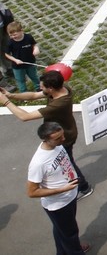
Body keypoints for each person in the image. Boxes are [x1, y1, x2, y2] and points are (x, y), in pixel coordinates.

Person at [3, 68, 91, 195]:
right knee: (66, 162)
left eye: (42, 86)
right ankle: (78, 185)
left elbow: (25, 117)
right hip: (64, 132)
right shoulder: (61, 88)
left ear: (50, 88)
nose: (40, 88)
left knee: (68, 164)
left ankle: (83, 187)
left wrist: (6, 102)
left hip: (63, 137)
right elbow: (34, 96)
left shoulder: (58, 104)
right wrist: (11, 95)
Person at [26, 121, 85, 255]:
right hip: (59, 205)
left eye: (62, 135)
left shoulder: (57, 145)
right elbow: (32, 192)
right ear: (45, 139)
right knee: (70, 234)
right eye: (58, 138)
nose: (63, 139)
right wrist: (63, 189)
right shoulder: (38, 163)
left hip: (69, 197)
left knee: (61, 230)